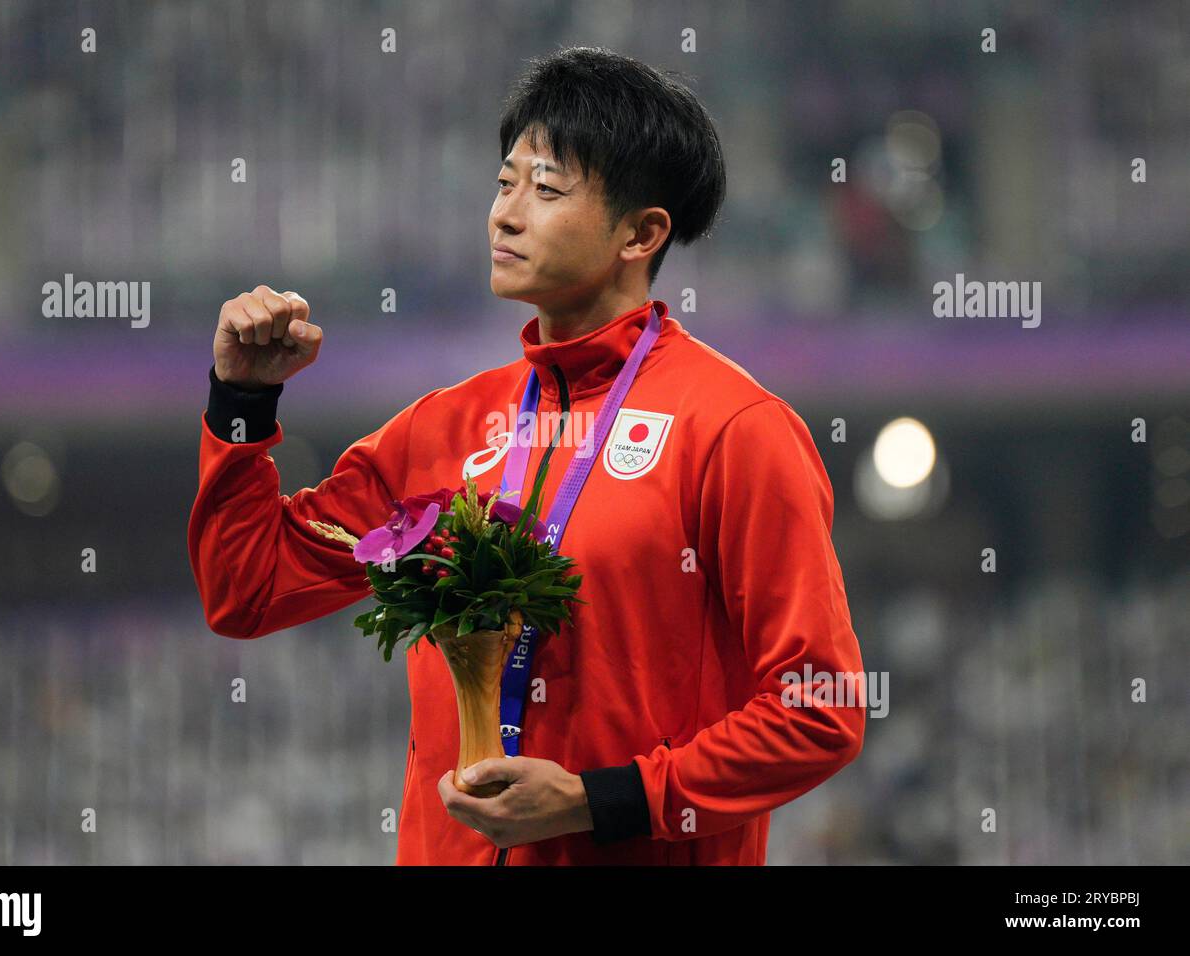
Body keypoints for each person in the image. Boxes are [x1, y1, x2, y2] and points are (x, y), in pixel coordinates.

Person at [188, 46, 865, 865]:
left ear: (641, 233)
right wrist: (242, 403)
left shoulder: (734, 429)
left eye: (546, 190)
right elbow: (247, 589)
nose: (505, 214)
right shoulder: (444, 430)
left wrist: (598, 801)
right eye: (505, 183)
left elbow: (819, 708)